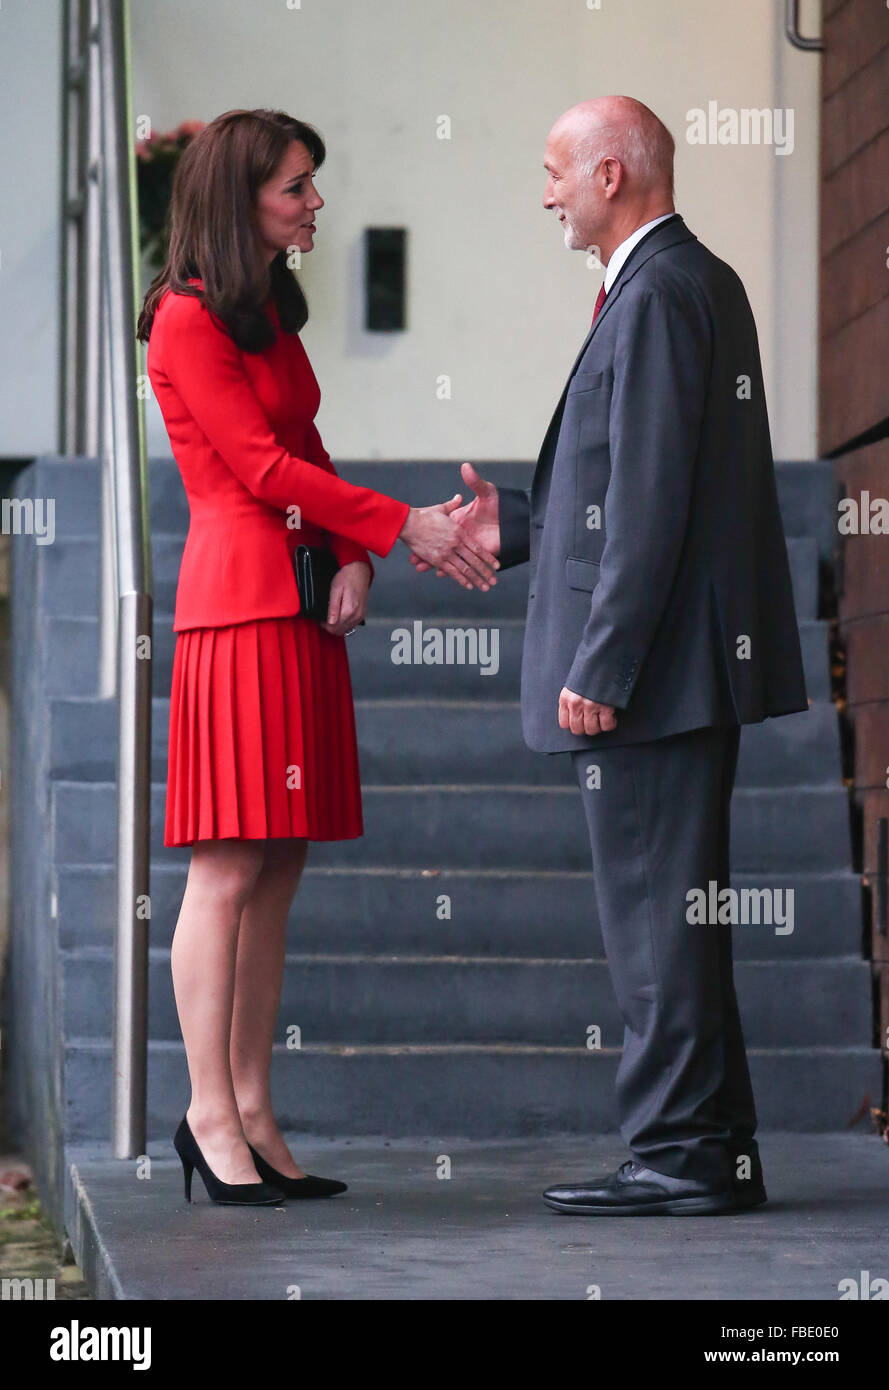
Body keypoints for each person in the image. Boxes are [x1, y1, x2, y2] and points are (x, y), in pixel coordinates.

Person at [412, 95, 808, 1215]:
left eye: (554, 172)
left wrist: (604, 664)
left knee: (653, 924)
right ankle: (711, 1151)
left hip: (656, 677)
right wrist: (521, 523)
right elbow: (636, 478)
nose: (544, 194)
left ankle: (679, 1153)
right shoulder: (691, 282)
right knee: (675, 916)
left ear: (612, 174)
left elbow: (647, 502)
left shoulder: (658, 293)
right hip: (683, 667)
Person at [137, 107, 499, 1206]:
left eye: (311, 185)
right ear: (240, 197)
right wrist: (407, 524)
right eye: (297, 186)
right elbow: (254, 465)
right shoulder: (185, 322)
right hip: (239, 610)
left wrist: (359, 552)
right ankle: (205, 1111)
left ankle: (251, 1109)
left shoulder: (265, 318)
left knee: (279, 866)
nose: (313, 204)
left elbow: (309, 451)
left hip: (299, 607)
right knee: (228, 863)